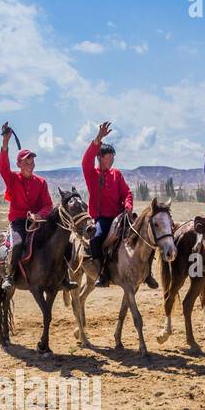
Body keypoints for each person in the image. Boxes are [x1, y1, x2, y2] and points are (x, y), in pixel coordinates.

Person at [0, 122, 53, 291]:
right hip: (19, 222)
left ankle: (62, 276)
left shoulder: (41, 182)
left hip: (38, 222)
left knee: (57, 240)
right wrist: (5, 143)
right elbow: (2, 166)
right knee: (18, 243)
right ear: (19, 165)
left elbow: (48, 204)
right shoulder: (12, 179)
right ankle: (10, 276)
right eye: (26, 163)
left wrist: (40, 215)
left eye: (32, 162)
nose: (30, 165)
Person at [81, 120, 133, 288]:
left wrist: (128, 206)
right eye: (108, 157)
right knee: (96, 237)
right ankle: (102, 273)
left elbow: (127, 193)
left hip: (120, 216)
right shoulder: (91, 174)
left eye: (113, 157)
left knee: (143, 232)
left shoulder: (117, 174)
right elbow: (85, 160)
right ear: (99, 157)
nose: (111, 160)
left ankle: (147, 273)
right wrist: (98, 139)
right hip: (102, 218)